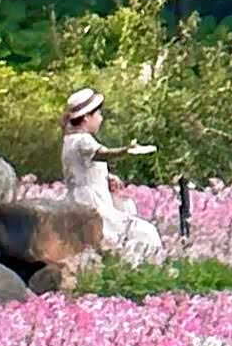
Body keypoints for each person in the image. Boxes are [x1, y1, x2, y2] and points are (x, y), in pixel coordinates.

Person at [59, 86, 163, 263]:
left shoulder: (70, 140)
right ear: (86, 118)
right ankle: (139, 269)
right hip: (92, 204)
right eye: (97, 114)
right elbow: (102, 153)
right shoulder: (82, 140)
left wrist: (108, 178)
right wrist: (127, 150)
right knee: (144, 233)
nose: (100, 119)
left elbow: (87, 168)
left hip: (83, 199)